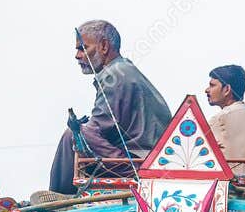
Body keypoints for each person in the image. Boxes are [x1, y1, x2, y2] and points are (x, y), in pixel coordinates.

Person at [47, 20, 172, 195]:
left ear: (104, 46)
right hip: (150, 157)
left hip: (139, 163)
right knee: (80, 131)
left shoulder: (114, 74)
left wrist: (79, 128)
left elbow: (98, 128)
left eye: (83, 48)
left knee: (74, 134)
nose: (77, 55)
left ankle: (59, 197)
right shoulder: (123, 69)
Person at [205, 64, 245, 176]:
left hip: (228, 182)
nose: (206, 90)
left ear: (227, 89)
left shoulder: (219, 119)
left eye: (212, 85)